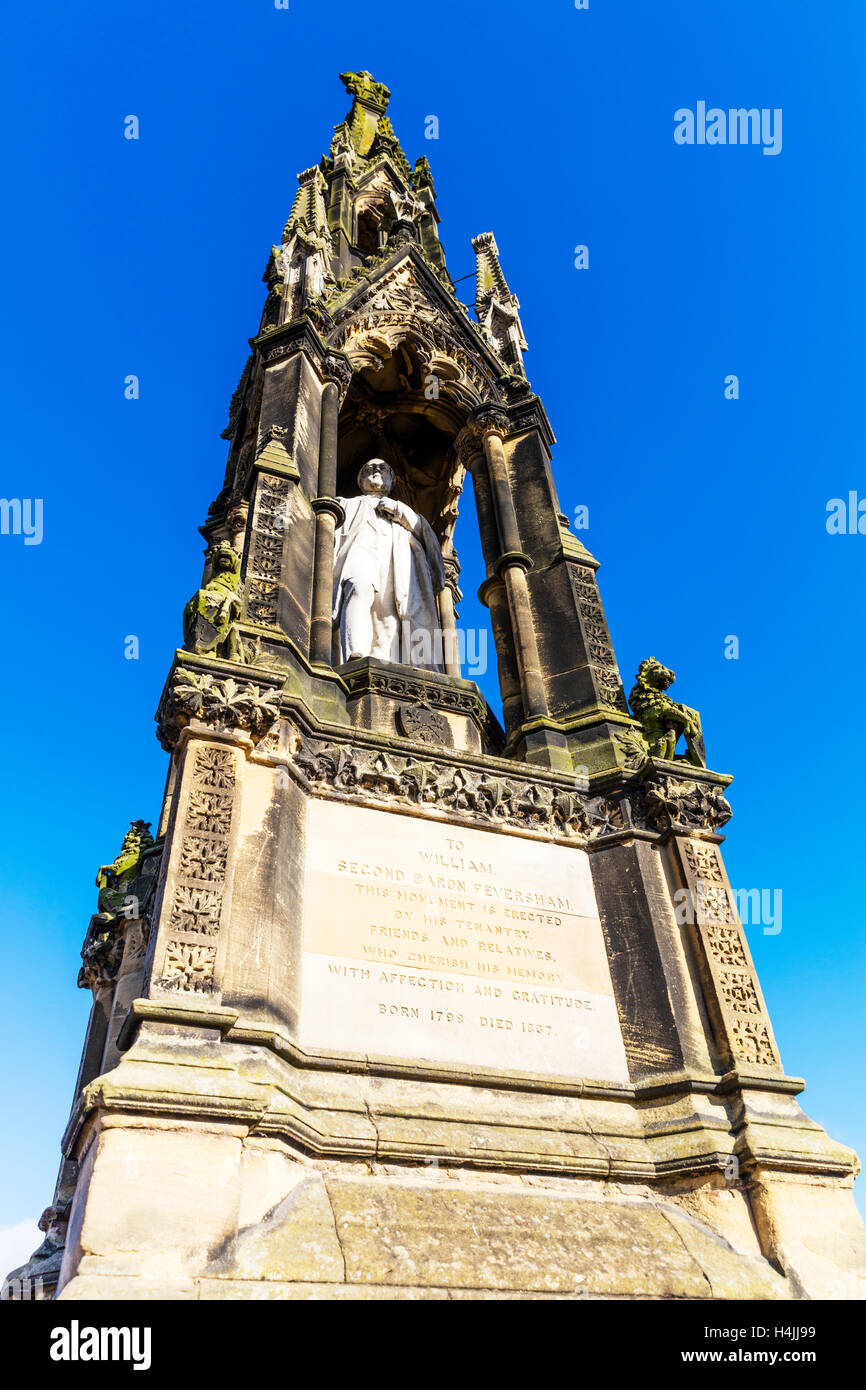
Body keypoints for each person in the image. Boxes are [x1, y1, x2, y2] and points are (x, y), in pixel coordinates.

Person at [333, 459, 445, 669]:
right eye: (369, 468)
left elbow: (429, 540)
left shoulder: (404, 512)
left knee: (390, 618)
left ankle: (389, 666)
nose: (376, 470)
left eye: (383, 468)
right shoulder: (345, 504)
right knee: (358, 588)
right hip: (359, 552)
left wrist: (400, 511)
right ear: (360, 480)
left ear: (392, 481)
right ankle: (355, 656)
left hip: (394, 558)